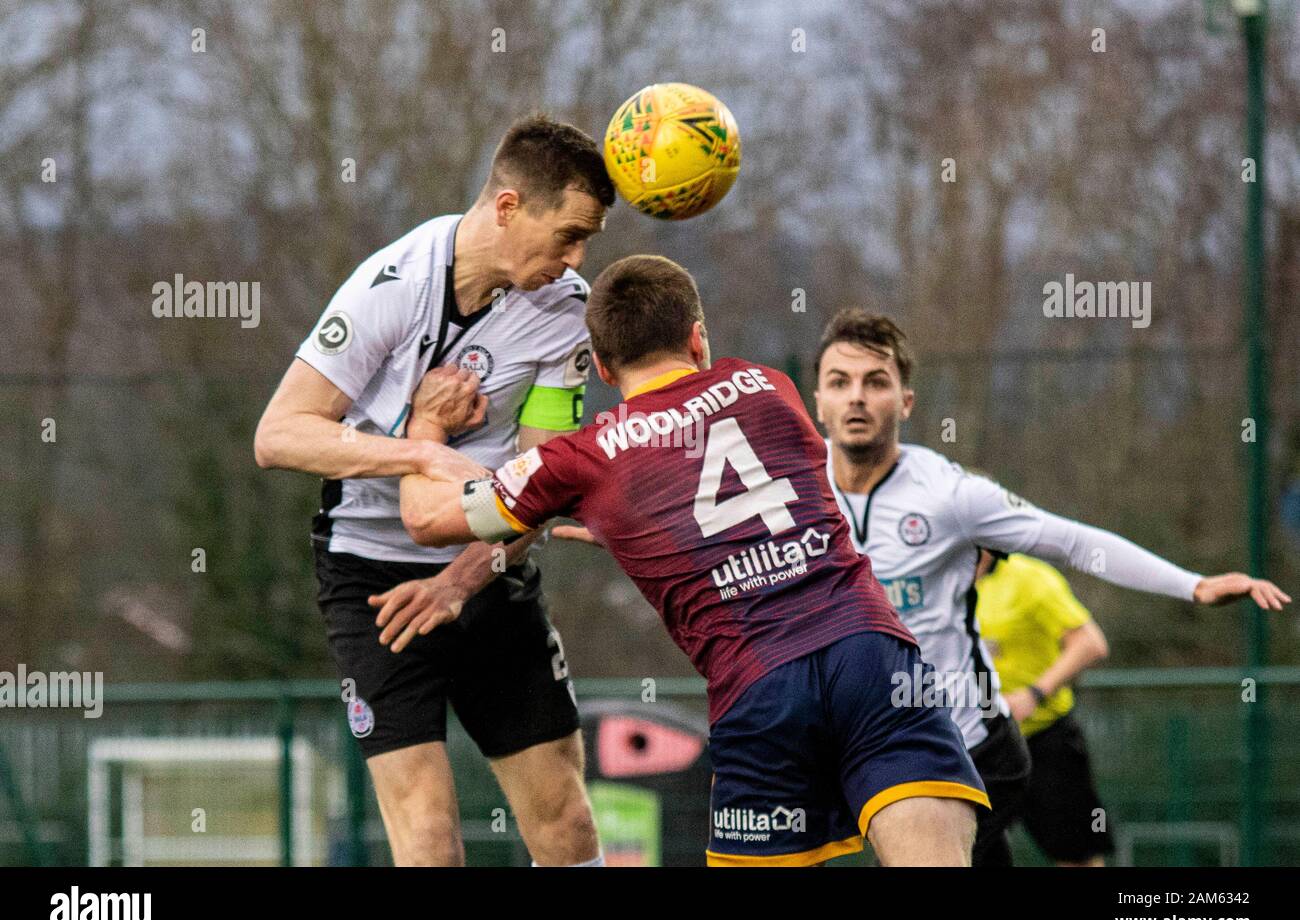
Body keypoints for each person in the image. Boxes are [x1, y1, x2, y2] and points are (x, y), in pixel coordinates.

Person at [397, 254, 992, 867]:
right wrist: (649, 528)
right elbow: (745, 483)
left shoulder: (580, 457)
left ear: (602, 366)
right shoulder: (769, 385)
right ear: (697, 340)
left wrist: (427, 422)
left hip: (760, 687)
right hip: (875, 654)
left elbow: (424, 519)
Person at [253, 115, 614, 866]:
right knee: (427, 836)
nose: (577, 259)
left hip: (486, 569)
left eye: (589, 241)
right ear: (510, 207)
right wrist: (423, 450)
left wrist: (462, 577)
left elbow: (537, 483)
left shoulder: (566, 315)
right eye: (570, 235)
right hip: (369, 581)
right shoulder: (393, 284)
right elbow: (280, 434)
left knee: (566, 822)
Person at [812, 307, 1291, 866]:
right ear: (817, 401)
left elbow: (1070, 541)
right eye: (839, 383)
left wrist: (1193, 585)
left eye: (876, 382)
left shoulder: (950, 494)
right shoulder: (791, 491)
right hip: (867, 746)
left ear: (907, 401)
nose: (857, 398)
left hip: (969, 746)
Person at [974, 550, 1113, 865]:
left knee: (1076, 854)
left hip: (1043, 740)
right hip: (974, 748)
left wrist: (1034, 694)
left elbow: (1092, 643)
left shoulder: (1030, 578)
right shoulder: (936, 581)